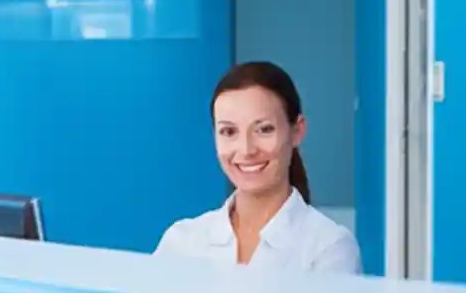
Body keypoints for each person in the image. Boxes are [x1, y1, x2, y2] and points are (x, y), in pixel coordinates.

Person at [154, 61, 361, 273]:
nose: (246, 150)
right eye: (229, 132)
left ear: (297, 131)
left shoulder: (329, 247)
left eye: (264, 129)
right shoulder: (181, 243)